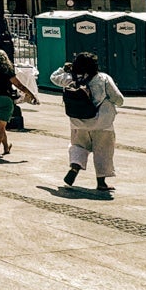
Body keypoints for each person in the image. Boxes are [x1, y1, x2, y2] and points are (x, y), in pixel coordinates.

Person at [50, 51, 125, 193]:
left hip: (78, 122)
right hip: (103, 124)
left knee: (78, 146)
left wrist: (64, 68)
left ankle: (75, 166)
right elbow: (118, 98)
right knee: (103, 151)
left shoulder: (69, 78)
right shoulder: (103, 78)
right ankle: (101, 182)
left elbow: (53, 77)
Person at [0, 48, 39, 158]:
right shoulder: (6, 69)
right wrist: (31, 94)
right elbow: (19, 85)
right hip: (3, 100)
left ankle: (6, 147)